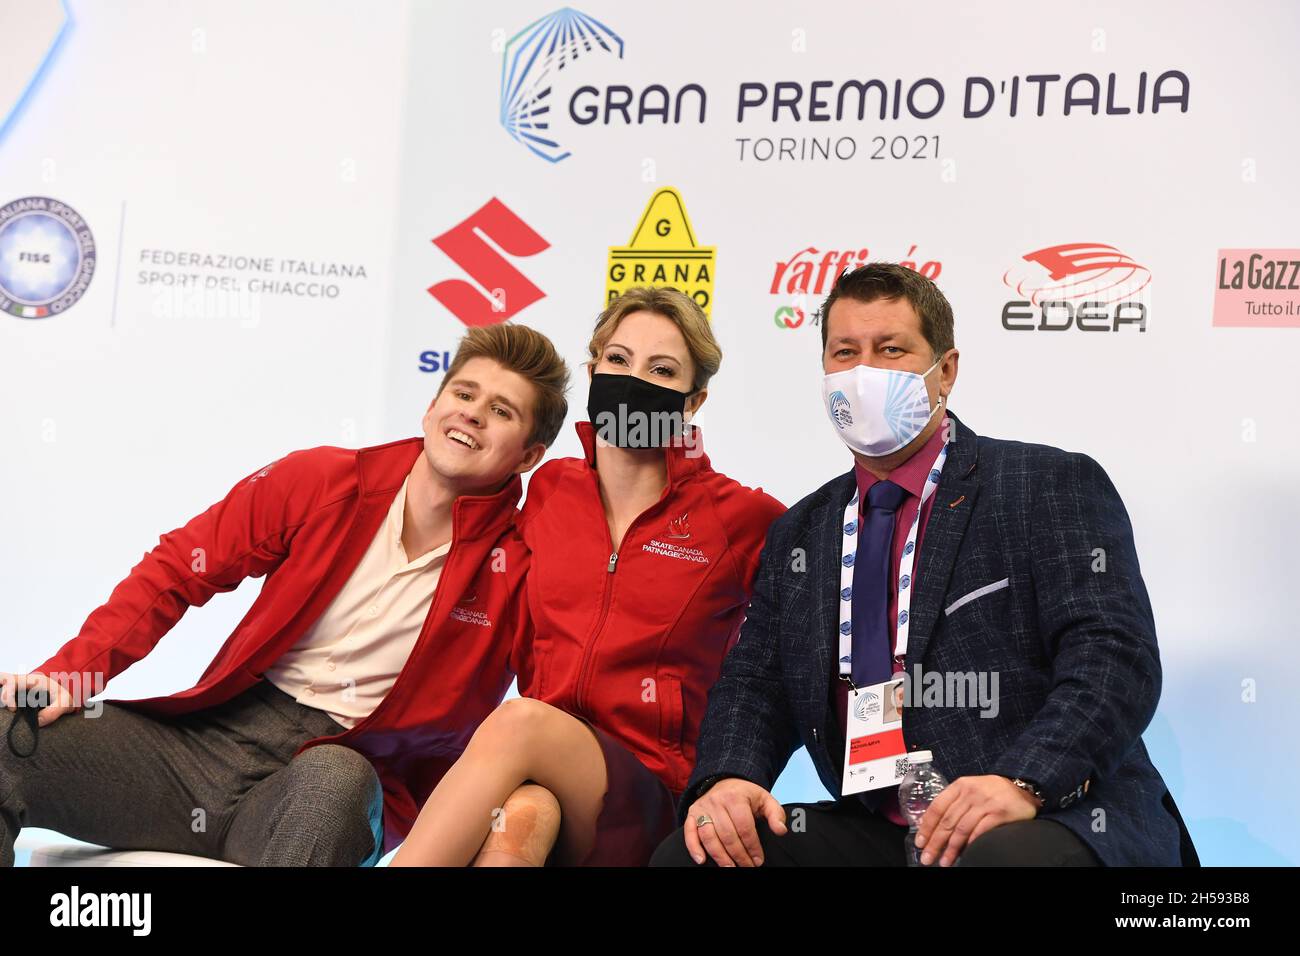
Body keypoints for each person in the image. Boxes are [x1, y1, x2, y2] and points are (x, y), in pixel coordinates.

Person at [650, 263, 1200, 868]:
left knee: (1001, 860)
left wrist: (1023, 781)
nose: (866, 373)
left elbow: (1113, 659)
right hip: (888, 827)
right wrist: (726, 779)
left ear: (946, 371)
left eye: (892, 350)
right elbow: (755, 684)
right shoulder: (800, 533)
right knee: (696, 857)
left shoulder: (1045, 484)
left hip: (1045, 812)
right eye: (845, 353)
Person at [0, 323, 568, 867]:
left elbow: (549, 702)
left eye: (501, 410)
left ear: (527, 456)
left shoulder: (519, 568)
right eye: (464, 392)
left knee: (334, 780)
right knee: (9, 728)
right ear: (432, 406)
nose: (472, 412)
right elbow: (179, 568)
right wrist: (73, 672)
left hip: (330, 777)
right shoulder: (323, 479)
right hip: (201, 752)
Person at [390, 287, 786, 866]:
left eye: (662, 369)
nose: (633, 379)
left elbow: (804, 646)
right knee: (520, 820)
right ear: (593, 368)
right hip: (540, 776)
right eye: (619, 360)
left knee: (522, 722)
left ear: (693, 400)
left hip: (656, 790)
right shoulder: (551, 489)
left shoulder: (741, 519)